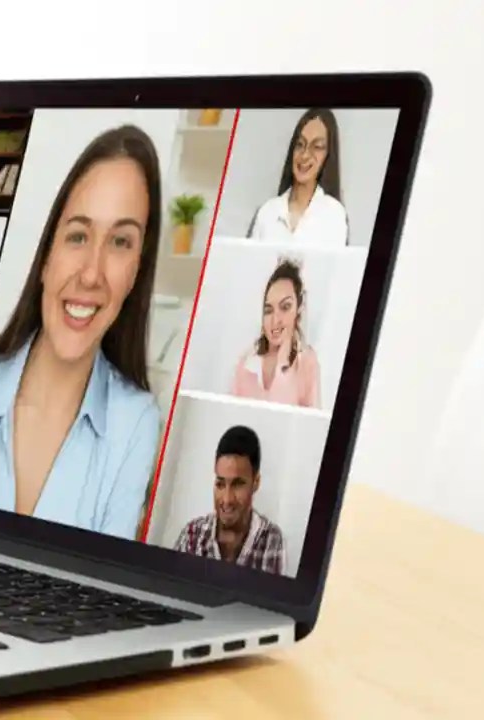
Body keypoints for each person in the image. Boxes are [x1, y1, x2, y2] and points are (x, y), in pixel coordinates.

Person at [0, 124, 163, 539]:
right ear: (47, 255)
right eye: (78, 236)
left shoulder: (136, 423)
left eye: (120, 242)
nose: (92, 273)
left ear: (137, 272)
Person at [172, 425, 287, 574]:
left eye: (238, 484)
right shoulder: (192, 535)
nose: (227, 499)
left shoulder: (272, 540)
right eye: (220, 484)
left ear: (256, 482)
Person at [247, 108, 349, 246]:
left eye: (317, 147)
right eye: (300, 144)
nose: (305, 155)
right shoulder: (267, 212)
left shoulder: (334, 214)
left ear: (328, 156)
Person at [231, 258, 321, 408]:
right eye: (268, 310)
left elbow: (313, 426)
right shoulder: (246, 363)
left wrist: (283, 359)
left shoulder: (307, 363)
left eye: (285, 307)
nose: (275, 320)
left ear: (298, 308)